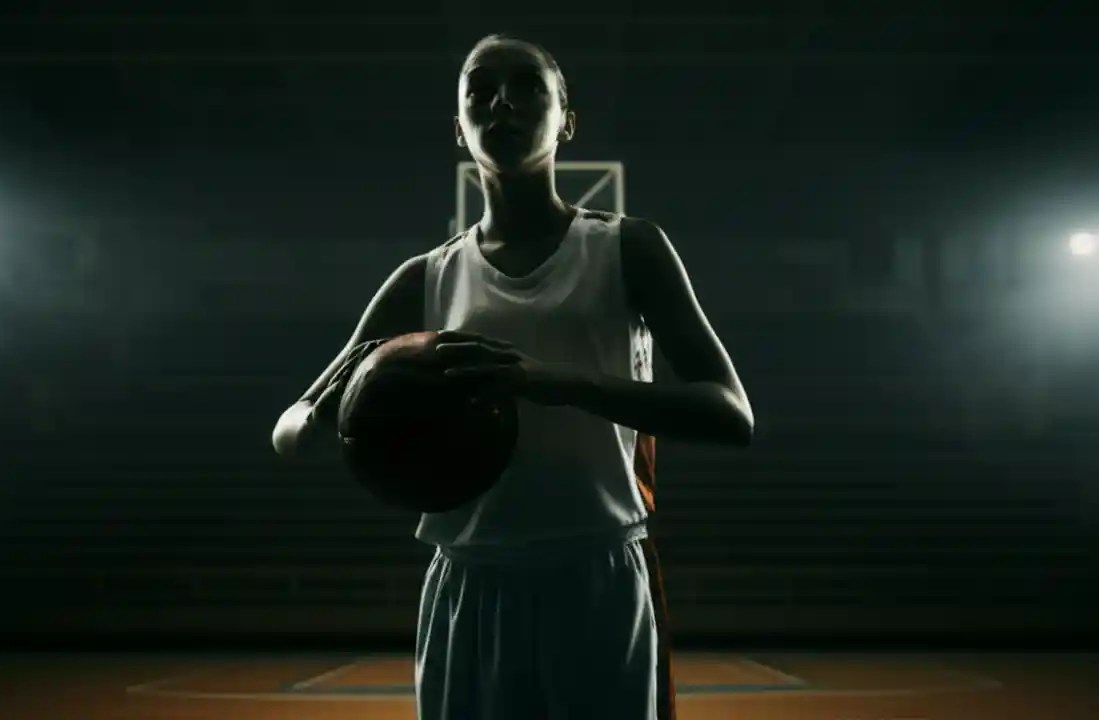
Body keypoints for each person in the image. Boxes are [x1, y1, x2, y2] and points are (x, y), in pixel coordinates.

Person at [272, 33, 754, 720]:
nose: (501, 101)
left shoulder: (628, 247)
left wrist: (553, 383)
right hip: (469, 577)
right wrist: (344, 393)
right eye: (479, 89)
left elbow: (730, 413)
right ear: (459, 128)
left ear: (568, 120)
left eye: (526, 85)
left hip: (597, 570)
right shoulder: (425, 277)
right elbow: (289, 432)